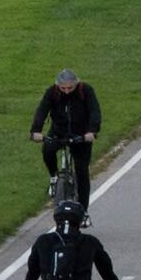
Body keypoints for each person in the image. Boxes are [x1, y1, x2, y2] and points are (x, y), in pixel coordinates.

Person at [30, 66, 100, 205]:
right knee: (47, 149)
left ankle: (83, 209)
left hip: (81, 133)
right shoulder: (52, 92)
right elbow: (42, 110)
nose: (66, 91)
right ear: (58, 86)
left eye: (70, 88)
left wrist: (92, 131)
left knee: (82, 172)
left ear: (76, 84)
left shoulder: (86, 90)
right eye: (63, 88)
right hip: (59, 131)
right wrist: (36, 131)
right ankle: (53, 176)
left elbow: (95, 111)